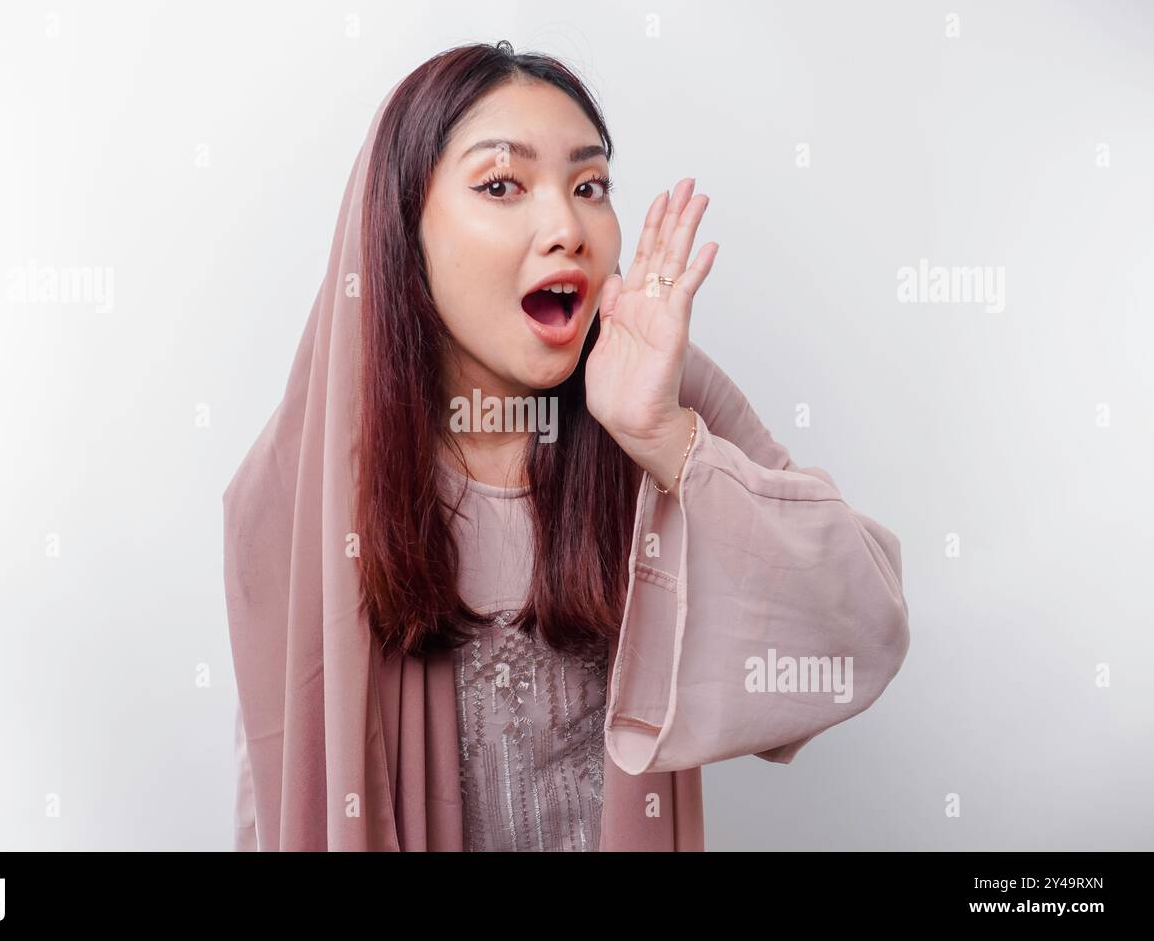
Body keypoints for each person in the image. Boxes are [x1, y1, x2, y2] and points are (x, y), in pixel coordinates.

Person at [224, 41, 910, 852]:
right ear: (403, 227)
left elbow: (863, 631)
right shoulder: (300, 475)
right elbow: (278, 796)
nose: (567, 228)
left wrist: (667, 443)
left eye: (590, 186)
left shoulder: (657, 388)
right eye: (502, 186)